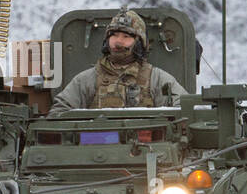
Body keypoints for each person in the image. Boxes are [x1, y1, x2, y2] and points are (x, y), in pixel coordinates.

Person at [48, 8, 188, 114]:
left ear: (139, 43)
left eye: (126, 36)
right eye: (114, 35)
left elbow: (184, 110)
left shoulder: (157, 79)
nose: (118, 42)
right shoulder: (87, 80)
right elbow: (59, 112)